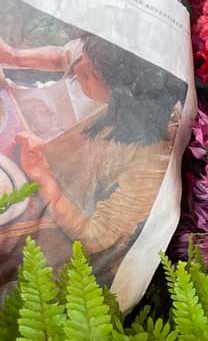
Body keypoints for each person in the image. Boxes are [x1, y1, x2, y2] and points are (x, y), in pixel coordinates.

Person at [0, 33, 186, 284]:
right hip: (59, 178)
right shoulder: (115, 57)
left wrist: (45, 180)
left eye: (89, 75)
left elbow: (94, 237)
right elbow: (67, 57)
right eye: (82, 60)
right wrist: (13, 56)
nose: (76, 70)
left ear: (121, 95)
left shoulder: (150, 161)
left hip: (72, 248)